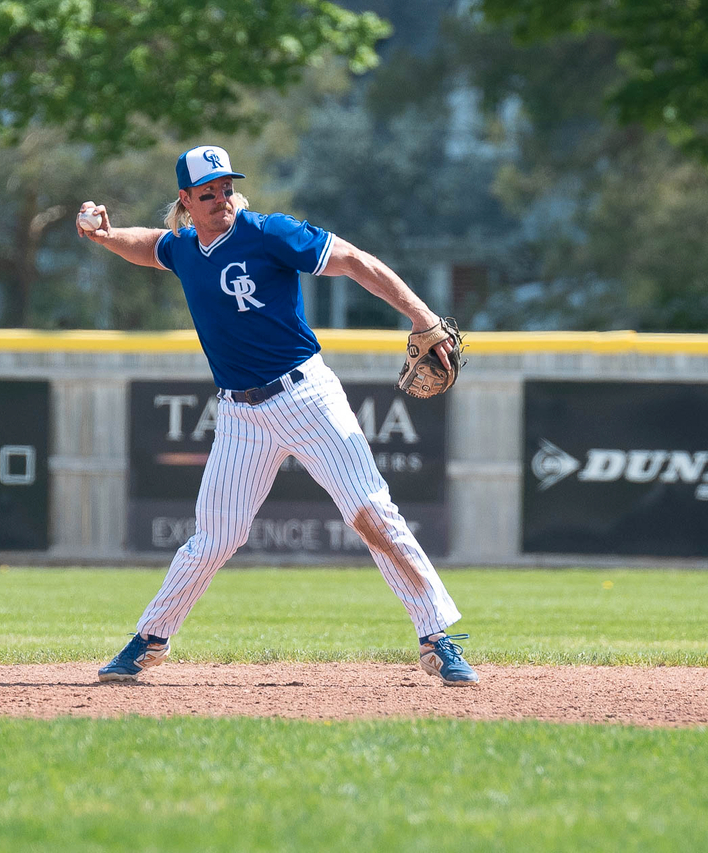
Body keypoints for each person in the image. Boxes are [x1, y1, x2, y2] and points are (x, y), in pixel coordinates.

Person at [78, 145, 477, 686]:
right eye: (207, 193)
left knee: (371, 511)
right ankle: (151, 637)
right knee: (215, 537)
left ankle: (436, 637)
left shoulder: (269, 233)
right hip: (239, 414)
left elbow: (352, 260)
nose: (221, 199)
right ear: (186, 201)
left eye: (226, 188)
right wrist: (106, 236)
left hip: (306, 397)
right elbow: (150, 246)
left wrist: (422, 315)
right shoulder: (185, 249)